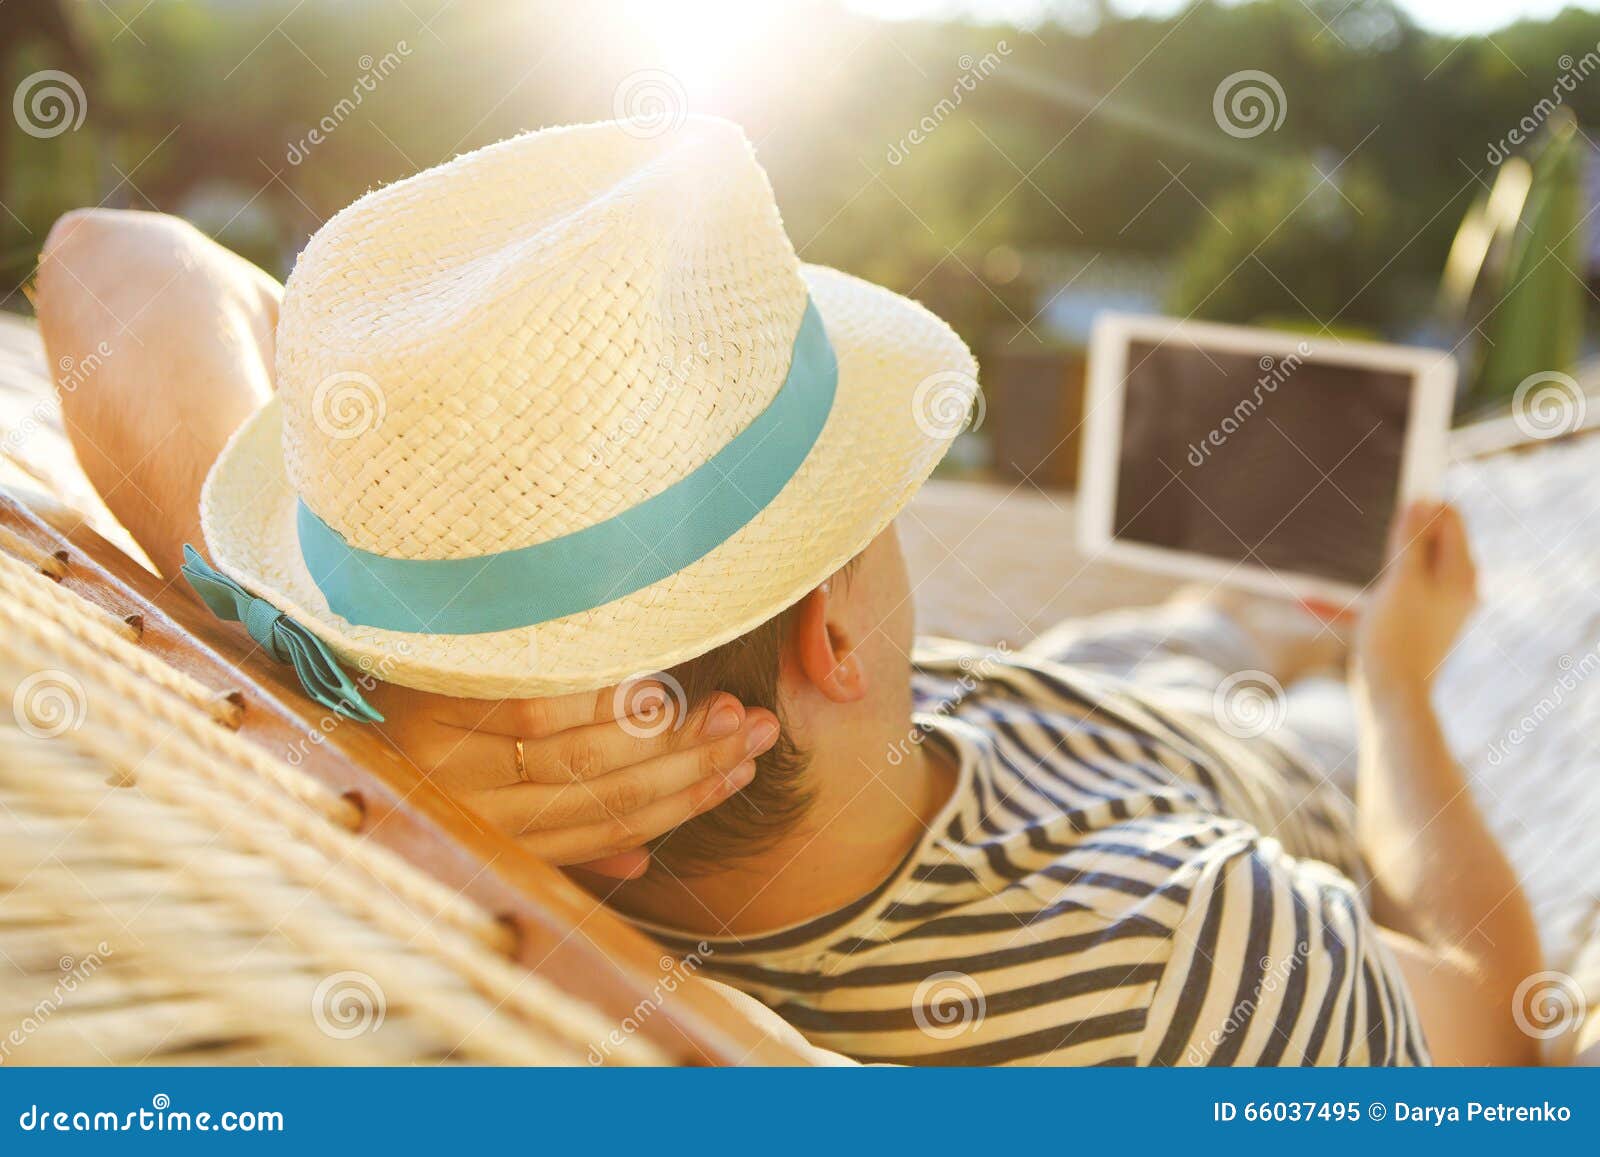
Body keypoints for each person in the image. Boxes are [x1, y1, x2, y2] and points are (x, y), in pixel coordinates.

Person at [34, 116, 1548, 1066]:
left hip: (1049, 692)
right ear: (828, 627)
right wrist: (1405, 687)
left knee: (1215, 627)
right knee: (1315, 648)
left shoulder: (428, 734)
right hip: (1251, 766)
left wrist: (333, 693)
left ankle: (1267, 632)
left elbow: (108, 260)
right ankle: (1318, 649)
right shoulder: (1205, 964)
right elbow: (1512, 1027)